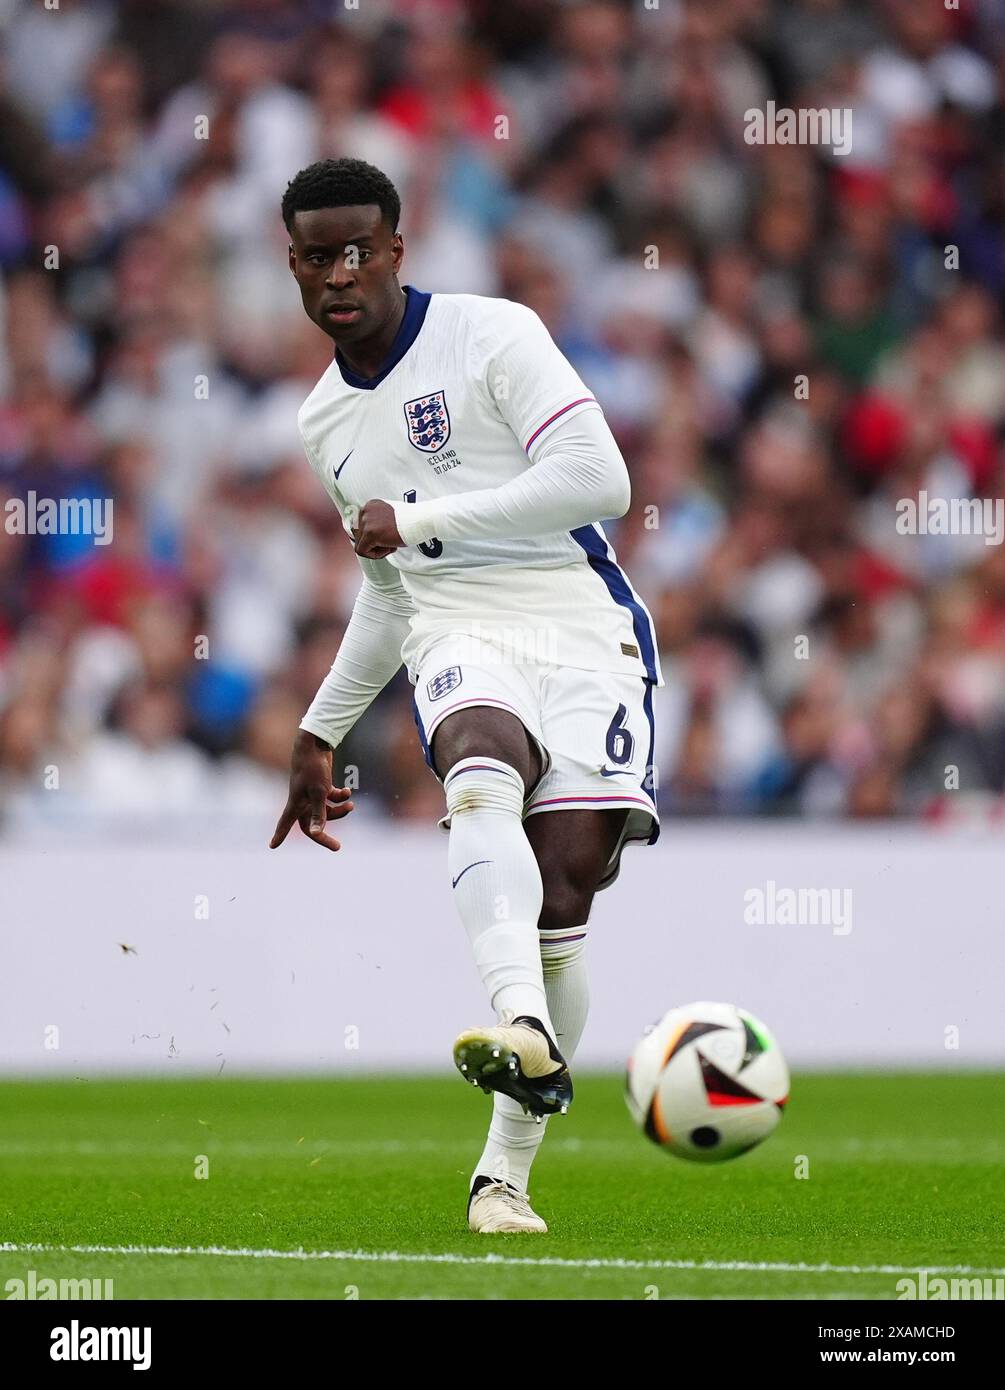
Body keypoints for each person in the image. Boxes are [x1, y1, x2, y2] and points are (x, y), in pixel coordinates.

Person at [270, 158, 662, 1234]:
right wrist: (320, 729)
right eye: (317, 256)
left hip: (583, 621)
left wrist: (424, 519)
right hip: (459, 629)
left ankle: (504, 1174)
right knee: (479, 765)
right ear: (292, 264)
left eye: (359, 250)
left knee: (568, 881)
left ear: (398, 249)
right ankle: (522, 1026)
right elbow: (392, 595)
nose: (339, 274)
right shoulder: (324, 423)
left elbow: (601, 481)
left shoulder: (494, 333)